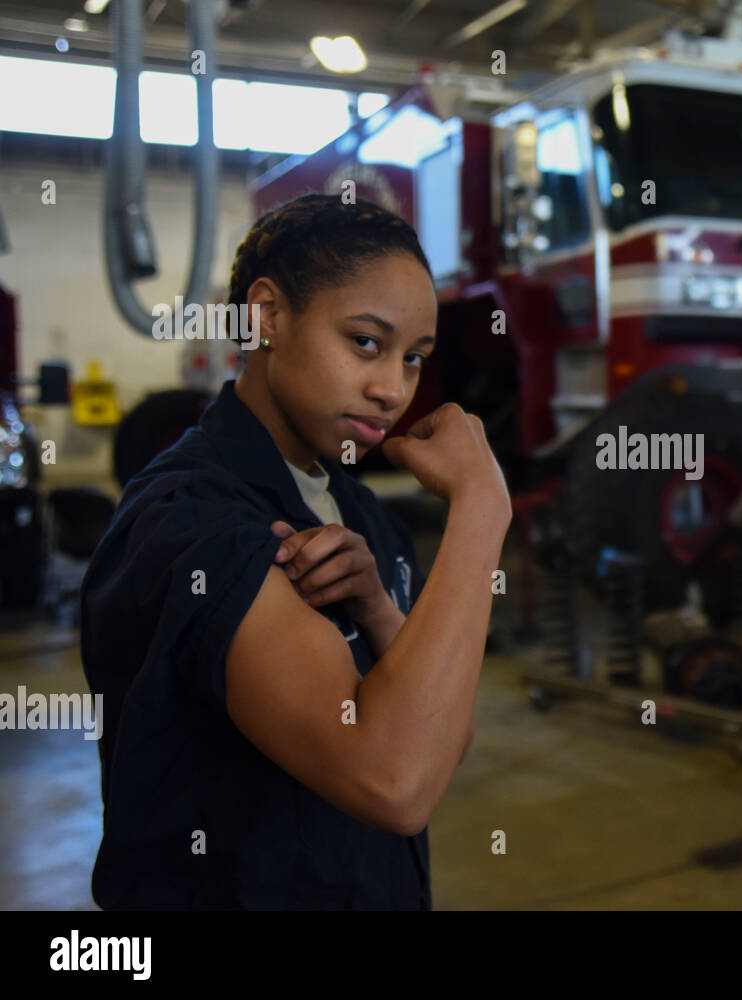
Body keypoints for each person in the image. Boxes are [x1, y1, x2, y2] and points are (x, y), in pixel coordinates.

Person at [80, 194, 512, 909]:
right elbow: (398, 782)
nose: (390, 390)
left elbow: (439, 742)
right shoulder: (194, 525)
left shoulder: (362, 513)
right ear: (269, 315)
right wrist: (481, 511)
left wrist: (377, 611)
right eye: (365, 343)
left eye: (414, 359)